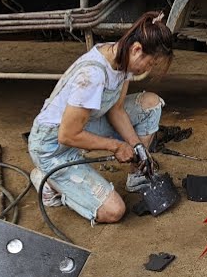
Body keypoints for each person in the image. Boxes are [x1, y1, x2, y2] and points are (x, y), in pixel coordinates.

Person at [27, 11, 175, 223]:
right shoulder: (93, 76)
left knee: (150, 104)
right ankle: (47, 182)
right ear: (137, 50)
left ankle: (137, 176)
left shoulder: (121, 57)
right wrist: (115, 146)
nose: (149, 70)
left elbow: (116, 110)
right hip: (53, 146)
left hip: (84, 126)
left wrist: (137, 147)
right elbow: (67, 135)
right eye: (150, 63)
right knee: (113, 211)